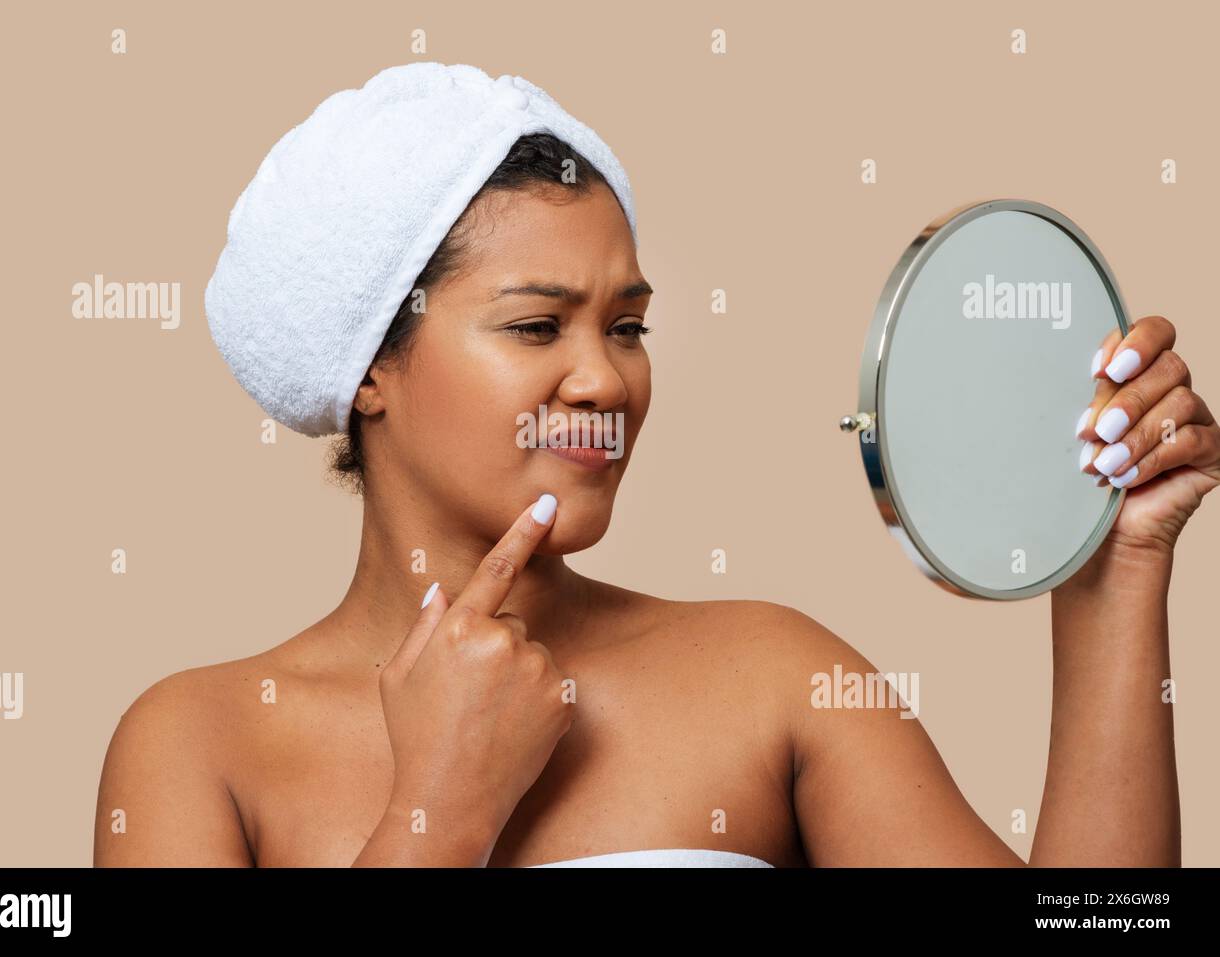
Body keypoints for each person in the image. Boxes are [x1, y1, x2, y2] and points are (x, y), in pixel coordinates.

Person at [93, 65, 1220, 868]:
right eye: (537, 328)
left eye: (625, 328)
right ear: (367, 368)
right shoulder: (200, 744)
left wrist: (1113, 578)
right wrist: (440, 810)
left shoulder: (772, 677)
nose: (604, 382)